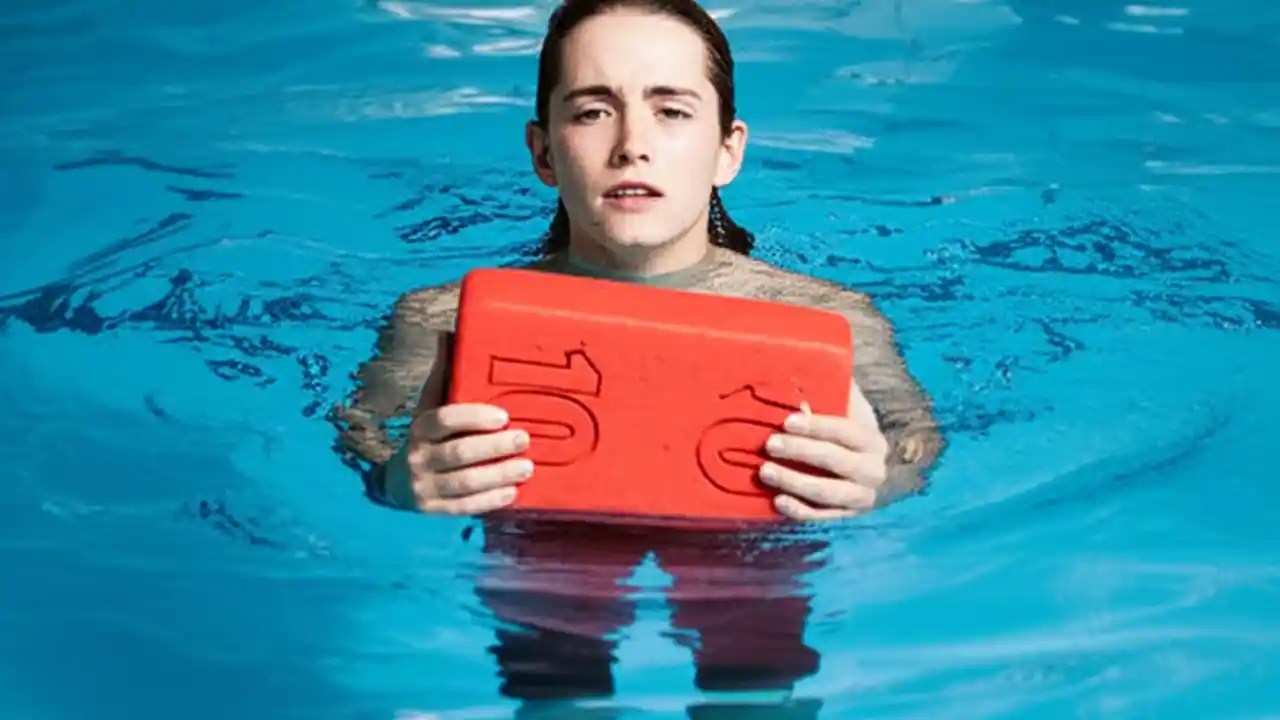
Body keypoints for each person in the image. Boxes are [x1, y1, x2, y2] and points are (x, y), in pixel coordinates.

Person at [330, 0, 944, 716]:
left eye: (672, 111)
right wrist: (399, 478)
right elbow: (361, 432)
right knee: (557, 663)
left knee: (753, 674)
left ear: (728, 149)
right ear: (543, 151)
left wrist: (878, 482)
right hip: (548, 540)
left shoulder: (825, 318)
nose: (632, 145)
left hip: (745, 548)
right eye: (593, 111)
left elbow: (915, 440)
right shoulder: (442, 317)